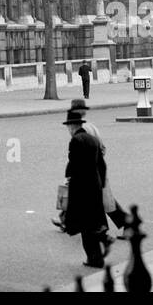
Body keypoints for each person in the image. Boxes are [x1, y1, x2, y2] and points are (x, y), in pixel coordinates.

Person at [55, 102, 109, 268]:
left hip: (82, 187)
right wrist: (101, 182)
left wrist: (69, 179)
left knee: (86, 227)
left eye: (69, 126)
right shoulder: (92, 140)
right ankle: (99, 251)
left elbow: (74, 164)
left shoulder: (76, 141)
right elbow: (102, 164)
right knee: (92, 222)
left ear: (72, 126)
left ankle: (94, 258)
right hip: (95, 185)